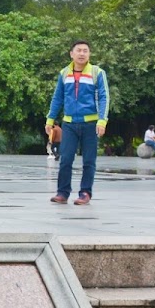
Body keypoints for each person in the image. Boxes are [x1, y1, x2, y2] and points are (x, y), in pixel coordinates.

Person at [46, 40, 110, 206]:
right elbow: (57, 98)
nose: (82, 53)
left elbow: (104, 97)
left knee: (89, 161)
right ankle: (62, 192)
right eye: (79, 50)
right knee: (65, 158)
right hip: (69, 124)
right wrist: (50, 119)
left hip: (91, 123)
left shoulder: (97, 73)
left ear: (89, 54)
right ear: (71, 54)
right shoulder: (64, 73)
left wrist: (102, 121)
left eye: (85, 51)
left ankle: (85, 193)